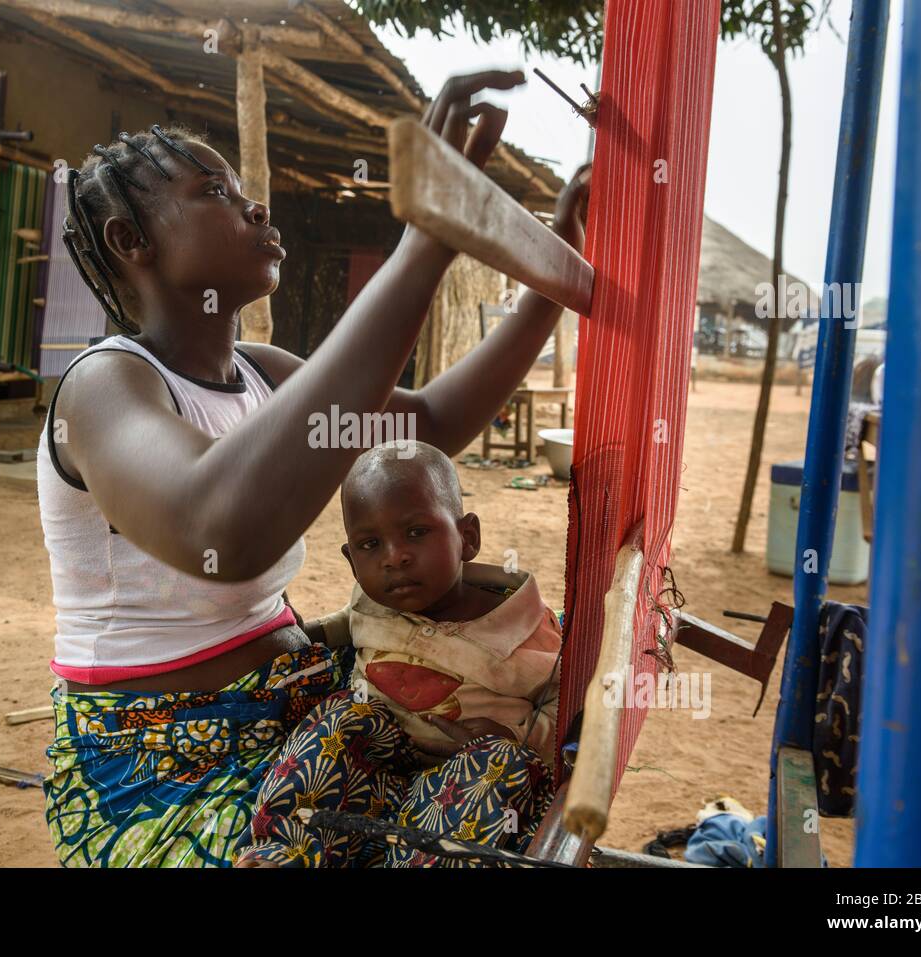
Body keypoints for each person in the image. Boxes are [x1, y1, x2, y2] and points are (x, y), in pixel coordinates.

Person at [38, 71, 589, 867]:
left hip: (301, 715)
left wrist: (552, 277)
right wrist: (426, 239)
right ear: (132, 242)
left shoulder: (262, 373)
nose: (252, 205)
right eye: (213, 192)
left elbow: (430, 423)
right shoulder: (103, 390)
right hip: (160, 771)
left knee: (502, 775)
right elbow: (221, 527)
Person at [233, 442, 561, 867]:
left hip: (464, 784)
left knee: (506, 763)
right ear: (351, 561)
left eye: (416, 532)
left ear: (468, 538)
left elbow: (564, 703)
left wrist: (517, 736)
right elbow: (346, 622)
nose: (395, 557)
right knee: (342, 718)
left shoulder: (523, 629)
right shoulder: (372, 604)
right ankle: (283, 850)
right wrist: (306, 634)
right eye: (370, 544)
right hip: (373, 776)